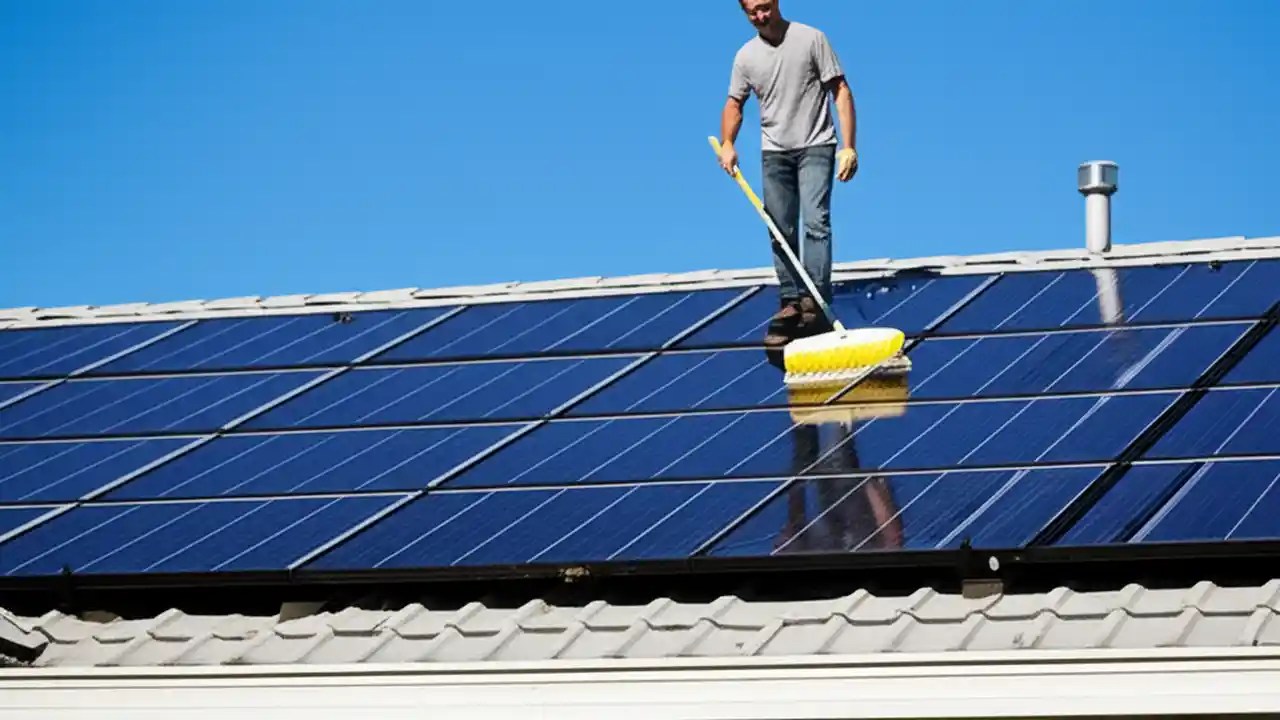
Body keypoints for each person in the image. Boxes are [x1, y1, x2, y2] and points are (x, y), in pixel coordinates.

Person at [717, 0, 858, 350]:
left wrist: (849, 146)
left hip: (816, 145)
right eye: (753, 12)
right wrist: (728, 143)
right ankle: (791, 298)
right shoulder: (746, 57)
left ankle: (815, 297)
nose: (760, 16)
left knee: (816, 221)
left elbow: (840, 90)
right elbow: (734, 103)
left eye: (765, 7)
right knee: (779, 228)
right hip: (775, 152)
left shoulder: (811, 39)